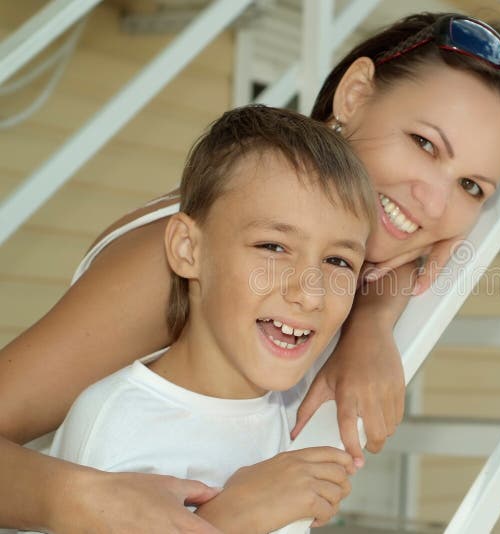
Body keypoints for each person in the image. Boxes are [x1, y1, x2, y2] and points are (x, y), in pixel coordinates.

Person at [0, 12, 500, 533]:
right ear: (354, 95)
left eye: (471, 187)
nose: (431, 202)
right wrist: (78, 500)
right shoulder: (176, 266)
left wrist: (373, 319)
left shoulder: (323, 254)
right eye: (423, 144)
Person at [27, 105, 373, 532]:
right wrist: (231, 517)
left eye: (338, 260)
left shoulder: (294, 396)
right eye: (272, 247)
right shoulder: (117, 423)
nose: (310, 293)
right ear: (188, 250)